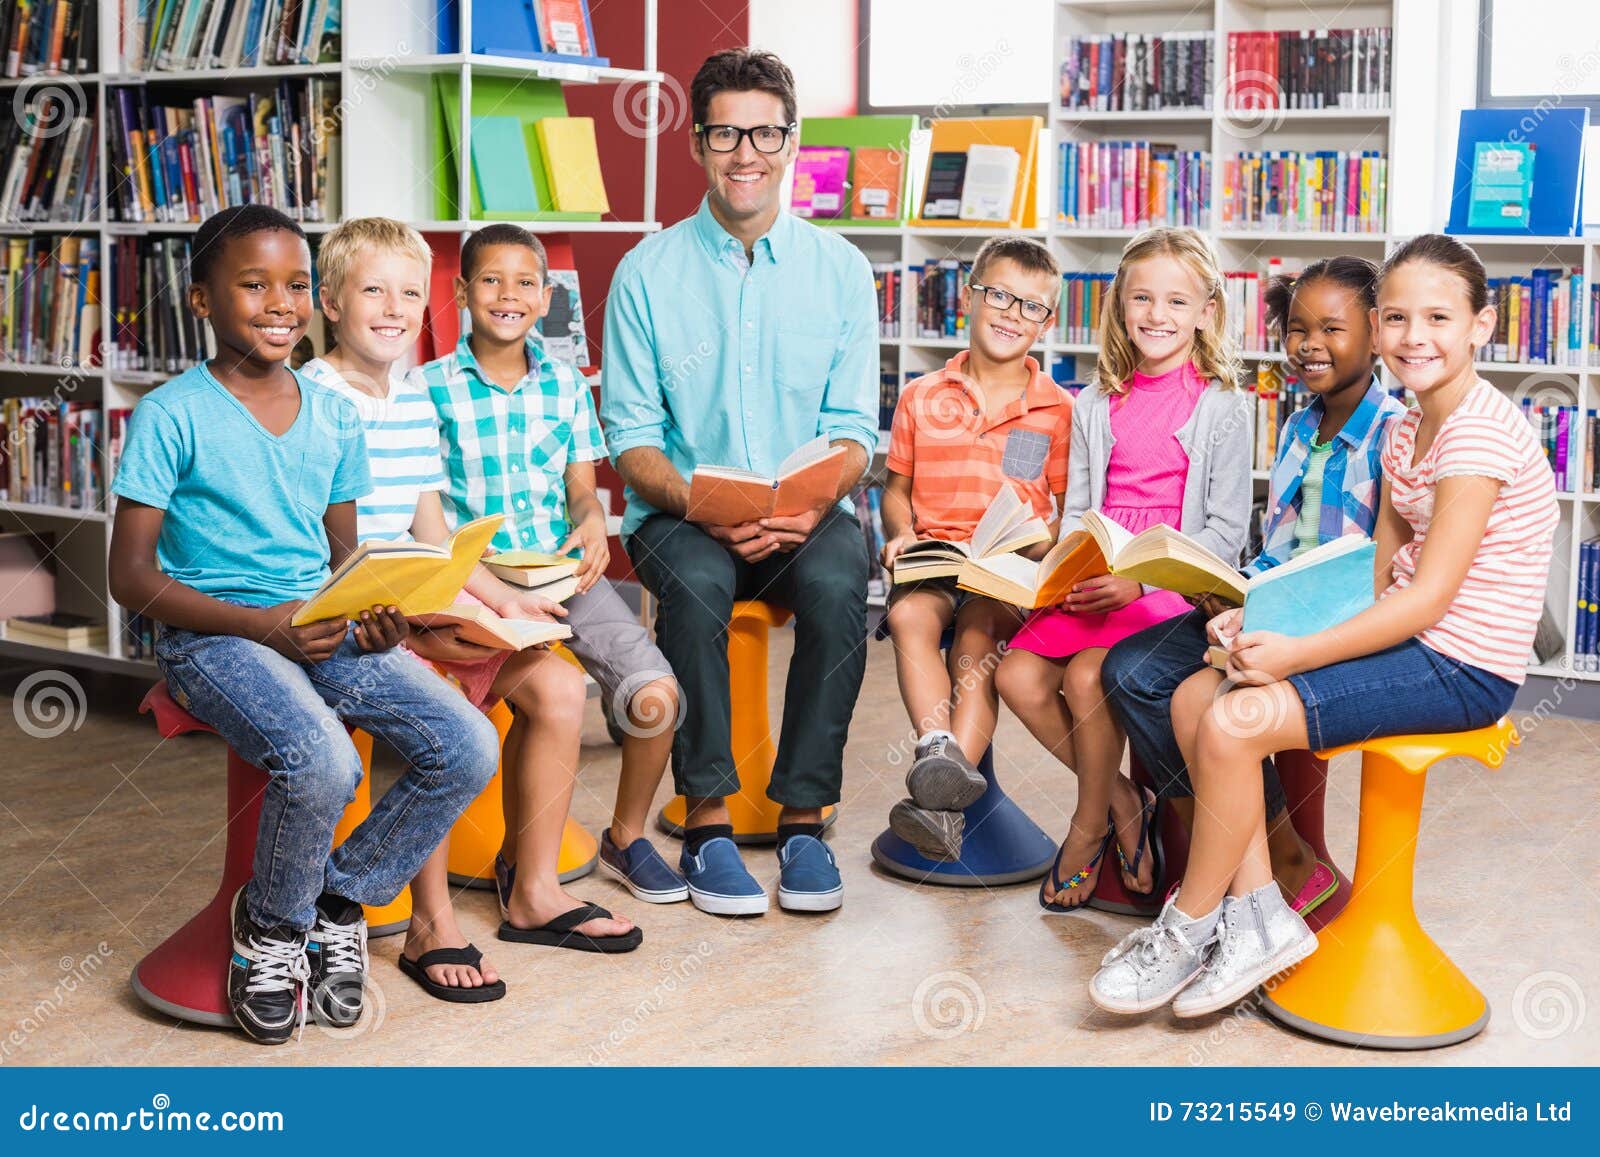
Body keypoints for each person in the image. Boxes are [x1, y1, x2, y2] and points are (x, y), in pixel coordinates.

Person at [1090, 233, 1558, 1018]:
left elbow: (1427, 599)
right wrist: (1260, 618)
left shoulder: (1476, 432)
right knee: (1190, 699)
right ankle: (1261, 913)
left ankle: (1191, 924)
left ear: (1482, 324)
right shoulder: (1410, 428)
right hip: (1408, 636)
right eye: (1400, 317)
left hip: (1459, 664)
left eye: (1439, 318)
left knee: (1235, 716)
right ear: (1381, 330)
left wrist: (1295, 653)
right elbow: (1379, 575)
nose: (1416, 337)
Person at [107, 205, 500, 1043]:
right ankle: (274, 933)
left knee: (468, 744)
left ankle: (336, 896)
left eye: (292, 284)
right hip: (212, 636)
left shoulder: (335, 418)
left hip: (317, 624)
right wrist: (264, 626)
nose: (279, 302)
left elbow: (342, 562)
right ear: (203, 300)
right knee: (322, 759)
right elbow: (129, 577)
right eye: (253, 285)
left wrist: (376, 616)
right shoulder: (171, 414)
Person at [601, 48, 877, 915]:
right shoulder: (646, 274)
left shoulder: (843, 271)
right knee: (701, 581)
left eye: (764, 132)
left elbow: (856, 433)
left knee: (841, 582)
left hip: (805, 511)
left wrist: (812, 499)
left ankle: (803, 820)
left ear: (792, 141)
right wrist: (710, 508)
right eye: (726, 132)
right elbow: (632, 440)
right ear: (698, 143)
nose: (745, 152)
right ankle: (710, 824)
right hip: (680, 516)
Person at [301, 218, 600, 1000]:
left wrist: (506, 605)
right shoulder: (312, 397)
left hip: (419, 595)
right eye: (373, 290)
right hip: (357, 609)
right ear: (331, 302)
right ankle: (432, 919)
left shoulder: (408, 403)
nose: (395, 307)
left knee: (560, 686)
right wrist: (427, 613)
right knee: (435, 703)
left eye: (408, 291)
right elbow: (322, 548)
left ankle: (533, 891)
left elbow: (433, 535)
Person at [1101, 256, 1406, 916]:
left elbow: (1381, 573)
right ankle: (1243, 845)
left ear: (1377, 333)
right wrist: (1227, 590)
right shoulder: (1297, 426)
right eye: (1297, 328)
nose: (1310, 345)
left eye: (1333, 328)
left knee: (1201, 697)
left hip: (1333, 628)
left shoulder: (1395, 434)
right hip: (1266, 606)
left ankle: (1278, 862)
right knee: (1129, 671)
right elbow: (1277, 547)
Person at [412, 223, 683, 951]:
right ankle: (523, 882)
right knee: (529, 698)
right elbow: (423, 520)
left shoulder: (566, 385)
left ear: (548, 296)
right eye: (491, 281)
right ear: (462, 292)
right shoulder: (426, 386)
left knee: (657, 696)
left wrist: (594, 524)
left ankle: (624, 835)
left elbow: (582, 492)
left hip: (563, 575)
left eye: (525, 282)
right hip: (475, 584)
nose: (509, 295)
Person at [992, 227, 1251, 913]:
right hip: (1099, 575)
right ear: (1119, 306)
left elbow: (1227, 532)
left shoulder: (1224, 405)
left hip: (1168, 588)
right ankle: (1121, 798)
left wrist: (1143, 579)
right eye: (1142, 298)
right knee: (1016, 673)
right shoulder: (1095, 403)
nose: (1157, 315)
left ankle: (1086, 830)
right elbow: (1081, 510)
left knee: (1086, 677)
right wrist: (1056, 569)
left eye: (1176, 300)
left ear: (1207, 311)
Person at [878, 237, 1073, 861]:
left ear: (1047, 322)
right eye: (1000, 295)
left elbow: (1064, 507)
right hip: (935, 558)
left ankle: (936, 804)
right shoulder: (921, 395)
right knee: (909, 616)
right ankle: (938, 753)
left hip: (1008, 569)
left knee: (975, 645)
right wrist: (900, 534)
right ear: (970, 294)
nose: (1013, 314)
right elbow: (896, 489)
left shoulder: (1057, 410)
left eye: (1032, 307)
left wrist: (1042, 545)